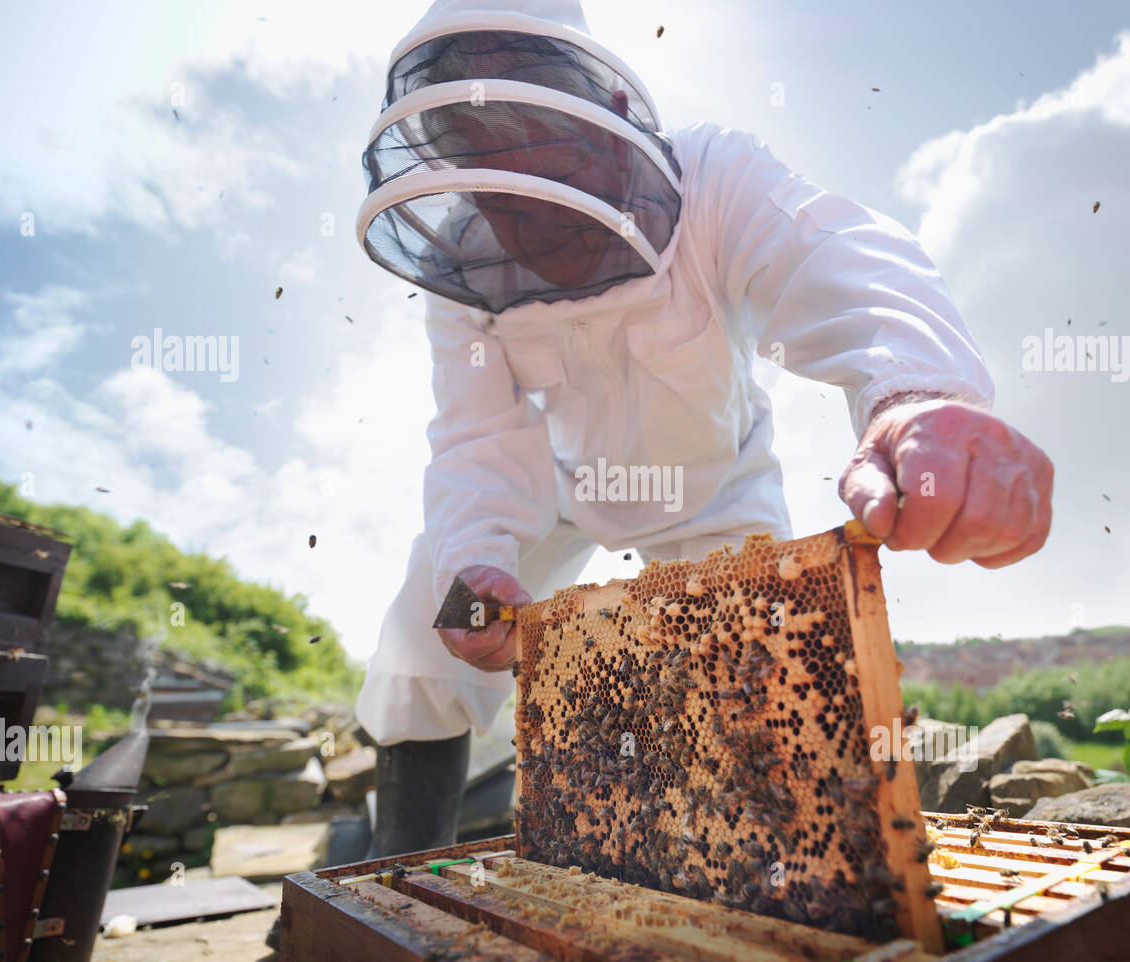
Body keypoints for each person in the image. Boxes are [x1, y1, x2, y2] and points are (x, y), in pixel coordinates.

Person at [353, 0, 1054, 857]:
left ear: (609, 112)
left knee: (762, 685)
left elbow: (830, 255)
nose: (527, 228)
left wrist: (916, 392)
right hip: (560, 495)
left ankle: (775, 873)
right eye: (493, 182)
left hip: (715, 491)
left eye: (534, 145)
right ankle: (389, 876)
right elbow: (473, 440)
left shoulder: (715, 176)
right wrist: (475, 564)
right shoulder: (459, 263)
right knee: (419, 639)